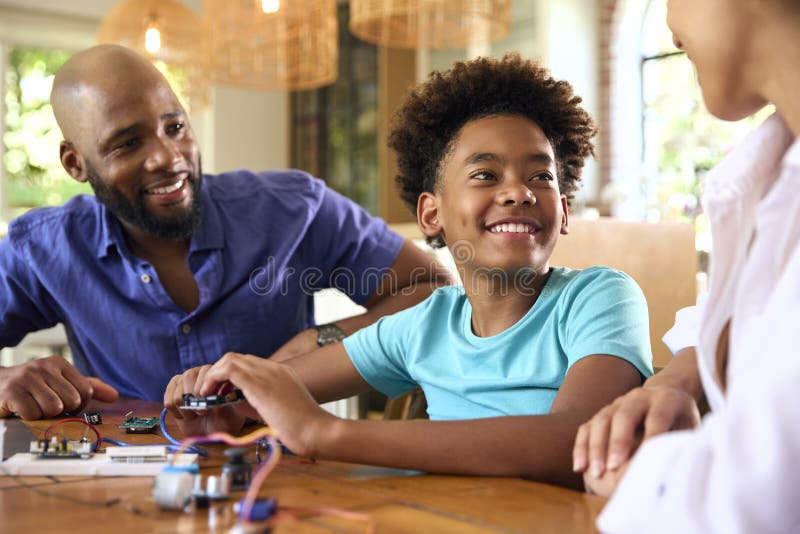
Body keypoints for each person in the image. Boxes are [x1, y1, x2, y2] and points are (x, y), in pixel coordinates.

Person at [165, 54, 653, 487]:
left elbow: (578, 439)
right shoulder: (425, 325)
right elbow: (278, 388)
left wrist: (327, 433)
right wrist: (218, 397)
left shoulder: (599, 297)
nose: (519, 192)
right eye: (486, 174)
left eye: (540, 176)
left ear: (563, 211)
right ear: (431, 214)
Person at [0, 44, 448, 420]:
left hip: (287, 478)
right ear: (75, 163)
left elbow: (431, 289)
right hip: (121, 490)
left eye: (174, 127)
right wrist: (5, 381)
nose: (167, 157)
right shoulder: (42, 248)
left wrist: (322, 341)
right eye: (128, 143)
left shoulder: (294, 209)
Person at [572, 0, 800, 531]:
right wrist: (678, 380)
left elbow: (747, 506)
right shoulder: (770, 182)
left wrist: (641, 474)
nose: (673, 33)